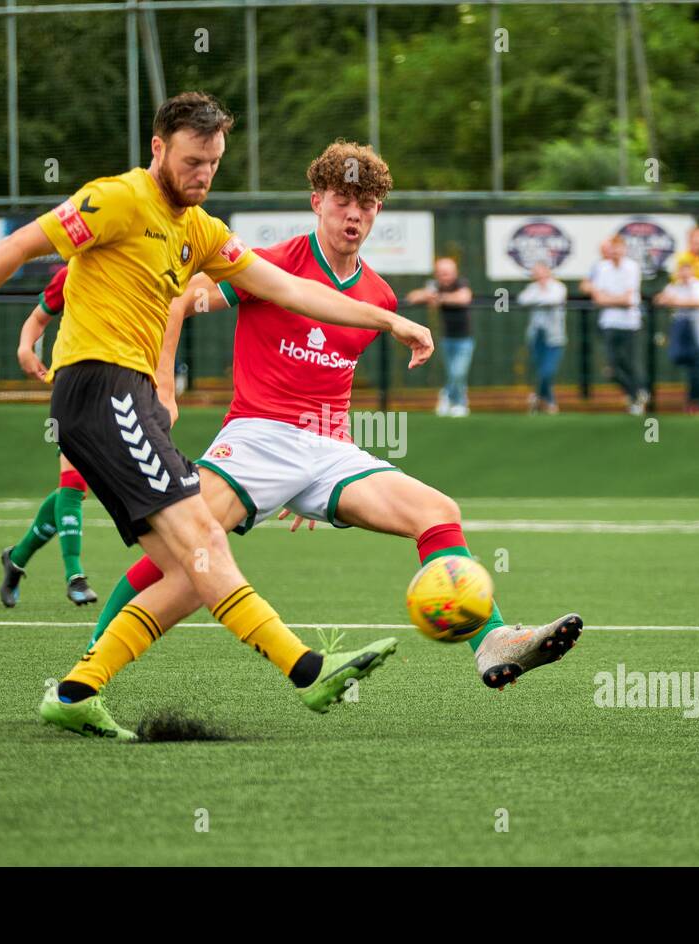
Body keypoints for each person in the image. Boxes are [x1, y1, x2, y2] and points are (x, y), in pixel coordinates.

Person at [0, 92, 435, 741]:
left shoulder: (202, 229)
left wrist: (392, 320)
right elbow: (19, 244)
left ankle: (77, 690)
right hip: (99, 388)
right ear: (157, 149)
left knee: (190, 568)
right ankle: (311, 671)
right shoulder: (117, 199)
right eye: (191, 160)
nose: (202, 175)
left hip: (124, 400)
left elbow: (293, 289)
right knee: (205, 545)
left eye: (212, 162)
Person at [86, 140, 582, 690]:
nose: (355, 214)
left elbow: (333, 376)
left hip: (326, 448)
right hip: (256, 439)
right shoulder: (266, 266)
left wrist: (322, 468)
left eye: (367, 204)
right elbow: (180, 299)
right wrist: (162, 384)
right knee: (183, 550)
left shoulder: (379, 297)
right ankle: (90, 663)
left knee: (438, 510)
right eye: (344, 199)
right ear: (317, 201)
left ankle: (491, 642)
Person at [0, 265, 98, 608]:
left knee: (76, 488)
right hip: (72, 383)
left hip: (122, 385)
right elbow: (38, 318)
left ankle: (17, 557)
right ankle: (75, 575)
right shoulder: (72, 272)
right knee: (73, 482)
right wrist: (26, 347)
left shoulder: (138, 265)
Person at [584, 236, 647, 415]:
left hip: (630, 324)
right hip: (609, 323)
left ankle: (637, 396)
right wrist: (611, 299)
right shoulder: (602, 268)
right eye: (613, 248)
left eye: (618, 248)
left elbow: (628, 299)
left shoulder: (632, 267)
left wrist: (608, 298)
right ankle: (636, 393)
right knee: (612, 367)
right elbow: (597, 298)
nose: (615, 252)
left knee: (630, 362)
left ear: (624, 249)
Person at [407, 257, 473, 417]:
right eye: (442, 274)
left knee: (458, 372)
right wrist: (427, 295)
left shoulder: (461, 283)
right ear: (437, 274)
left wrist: (440, 298)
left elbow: (464, 297)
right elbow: (412, 297)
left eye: (448, 273)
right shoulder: (435, 286)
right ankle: (451, 399)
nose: (446, 277)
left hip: (464, 338)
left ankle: (456, 401)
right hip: (447, 338)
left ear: (455, 273)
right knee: (452, 372)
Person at [656, 259, 699, 414]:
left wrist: (675, 301)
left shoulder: (698, 286)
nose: (684, 273)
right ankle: (693, 405)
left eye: (687, 269)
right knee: (689, 370)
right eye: (681, 270)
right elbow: (660, 300)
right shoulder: (674, 287)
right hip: (685, 338)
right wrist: (666, 299)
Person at [516, 261, 568, 414]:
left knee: (547, 371)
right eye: (535, 274)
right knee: (539, 370)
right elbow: (522, 300)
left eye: (541, 273)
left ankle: (539, 397)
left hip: (554, 337)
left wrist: (537, 300)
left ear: (548, 272)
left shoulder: (558, 287)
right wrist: (540, 299)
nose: (538, 276)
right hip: (536, 335)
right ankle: (548, 401)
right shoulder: (532, 288)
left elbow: (554, 300)